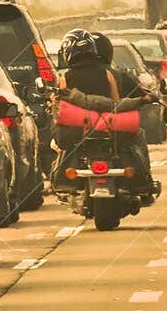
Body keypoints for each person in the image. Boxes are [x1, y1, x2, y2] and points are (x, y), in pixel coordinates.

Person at [52, 29, 156, 196]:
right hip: (108, 128)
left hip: (80, 131)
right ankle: (144, 182)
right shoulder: (108, 73)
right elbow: (115, 104)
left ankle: (63, 184)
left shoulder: (65, 78)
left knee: (60, 142)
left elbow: (62, 108)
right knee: (136, 136)